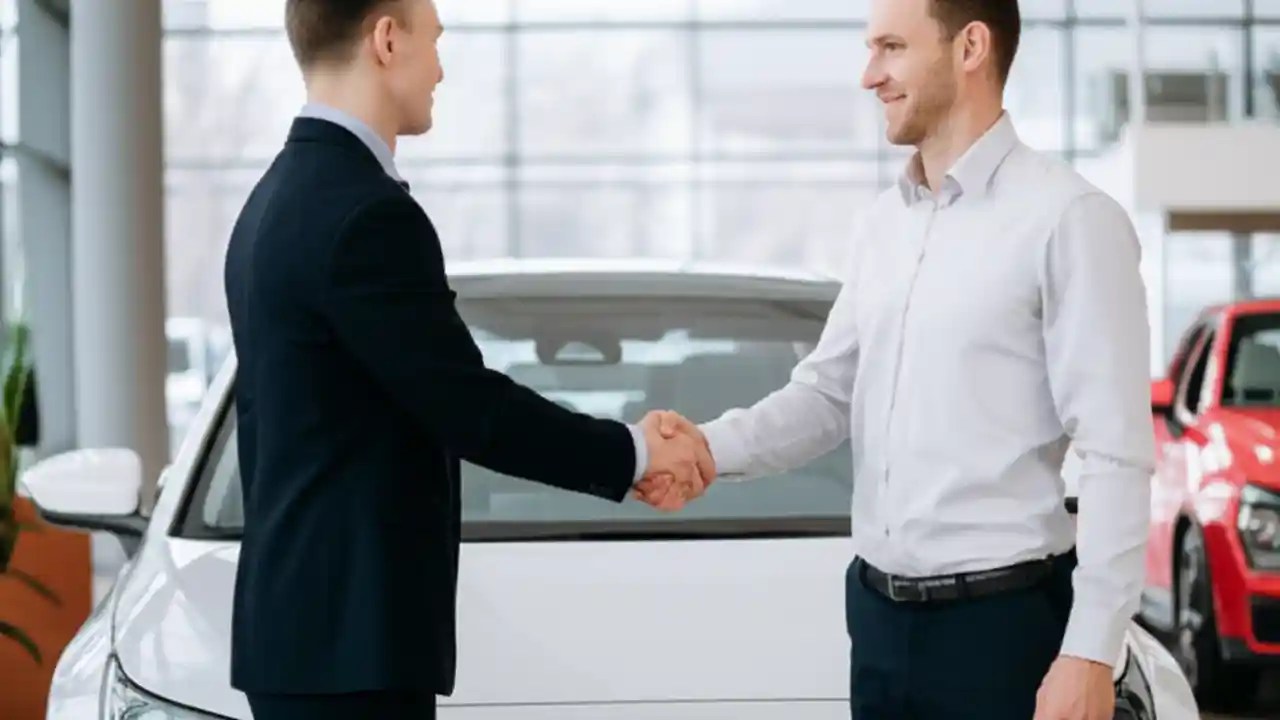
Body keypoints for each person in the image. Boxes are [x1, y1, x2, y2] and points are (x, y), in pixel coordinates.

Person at [646, 0, 1155, 718]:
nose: (868, 75)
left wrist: (1091, 651)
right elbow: (826, 395)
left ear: (970, 46)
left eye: (890, 47)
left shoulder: (1069, 219)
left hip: (1001, 630)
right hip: (879, 620)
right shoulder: (884, 225)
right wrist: (706, 447)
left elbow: (1116, 453)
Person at [222, 1, 714, 718]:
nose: (441, 70)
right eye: (435, 42)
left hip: (306, 635)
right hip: (348, 649)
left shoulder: (274, 201)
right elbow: (469, 407)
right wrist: (634, 452)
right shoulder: (363, 213)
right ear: (387, 40)